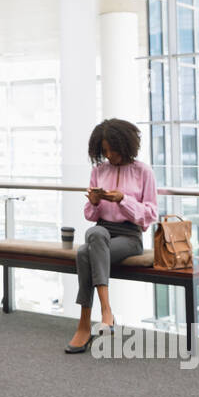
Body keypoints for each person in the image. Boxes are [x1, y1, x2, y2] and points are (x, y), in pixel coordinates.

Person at [65, 118, 158, 353]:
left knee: (84, 253)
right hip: (102, 231)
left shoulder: (143, 171)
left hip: (130, 237)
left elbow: (150, 214)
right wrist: (95, 202)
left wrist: (123, 200)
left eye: (112, 150)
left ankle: (84, 324)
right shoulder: (99, 171)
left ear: (125, 145)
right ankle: (106, 312)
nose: (108, 155)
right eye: (104, 150)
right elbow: (89, 215)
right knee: (95, 233)